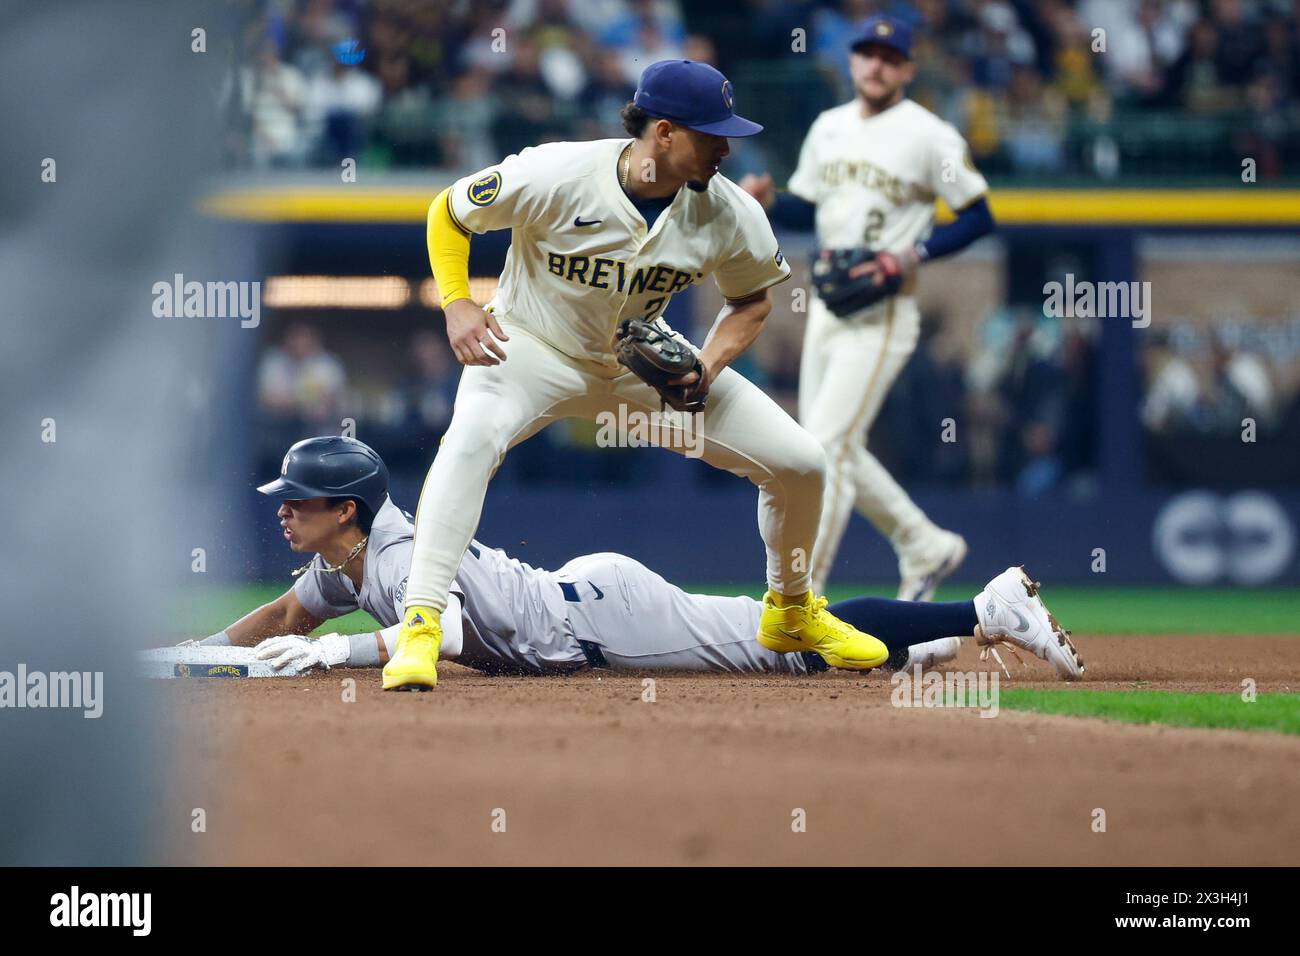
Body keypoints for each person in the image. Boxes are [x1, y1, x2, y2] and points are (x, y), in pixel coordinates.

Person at [391, 59, 893, 692]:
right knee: (468, 443)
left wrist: (707, 364)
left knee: (801, 463)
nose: (725, 146)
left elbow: (753, 300)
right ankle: (421, 624)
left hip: (639, 366)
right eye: (710, 132)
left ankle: (790, 610)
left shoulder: (729, 211)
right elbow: (451, 211)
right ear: (662, 131)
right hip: (530, 347)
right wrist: (458, 302)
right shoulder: (558, 171)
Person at [178, 437, 1084, 682]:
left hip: (597, 622)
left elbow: (442, 630)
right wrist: (190, 655)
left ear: (345, 509)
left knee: (784, 643)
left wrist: (337, 653)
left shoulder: (399, 552)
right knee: (777, 633)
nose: (284, 513)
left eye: (296, 500)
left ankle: (982, 611)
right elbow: (283, 618)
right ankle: (925, 643)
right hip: (576, 601)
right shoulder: (348, 561)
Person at [741, 15, 997, 600]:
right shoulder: (828, 127)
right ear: (853, 61)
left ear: (908, 68)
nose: (877, 64)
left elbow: (980, 215)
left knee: (824, 448)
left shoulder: (929, 135)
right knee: (832, 443)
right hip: (829, 307)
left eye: (890, 55)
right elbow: (812, 210)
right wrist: (771, 201)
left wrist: (911, 255)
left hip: (882, 311)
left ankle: (803, 600)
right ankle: (924, 544)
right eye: (867, 53)